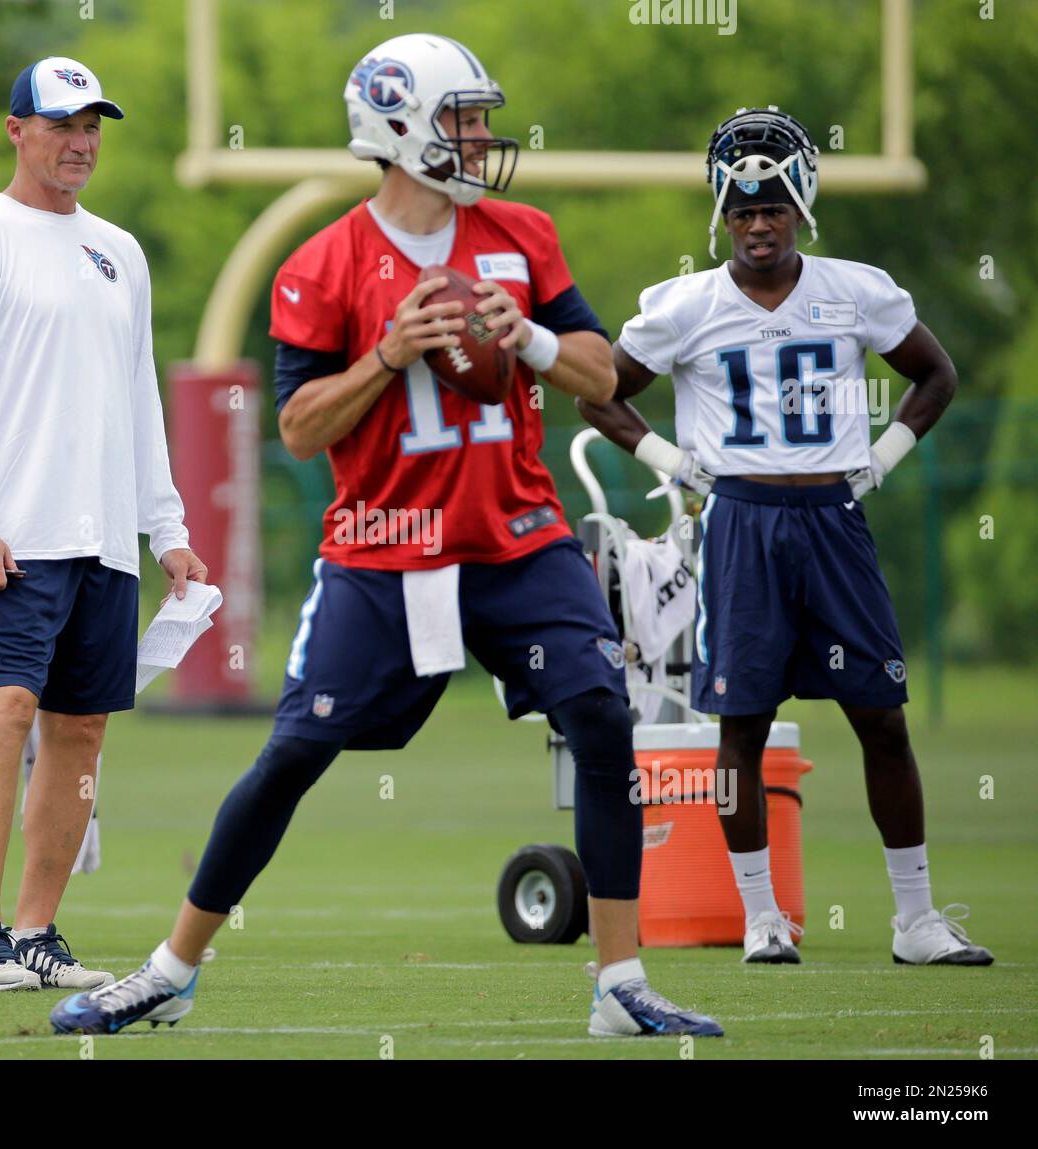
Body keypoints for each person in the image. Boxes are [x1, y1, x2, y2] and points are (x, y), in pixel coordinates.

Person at [52, 33, 723, 1039]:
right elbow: (295, 428)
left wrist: (528, 337)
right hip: (381, 547)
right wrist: (385, 356)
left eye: (479, 117)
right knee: (292, 756)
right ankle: (170, 968)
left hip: (516, 536)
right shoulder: (322, 264)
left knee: (600, 718)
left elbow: (601, 371)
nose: (482, 136)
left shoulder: (522, 236)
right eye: (462, 117)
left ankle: (620, 984)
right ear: (400, 125)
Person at [577, 106, 992, 967]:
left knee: (881, 718)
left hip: (835, 522)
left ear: (801, 206)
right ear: (721, 214)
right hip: (741, 525)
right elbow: (598, 391)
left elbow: (935, 374)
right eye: (741, 208)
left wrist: (880, 458)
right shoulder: (688, 303)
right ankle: (762, 915)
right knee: (741, 723)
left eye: (771, 208)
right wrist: (672, 458)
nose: (757, 225)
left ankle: (914, 919)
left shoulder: (855, 289)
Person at [0, 56, 204, 992]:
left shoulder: (120, 248)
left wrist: (166, 527)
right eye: (63, 125)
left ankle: (38, 927)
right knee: (4, 713)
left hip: (106, 538)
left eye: (93, 128)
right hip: (12, 536)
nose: (81, 143)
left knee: (82, 733)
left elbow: (138, 399)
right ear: (17, 130)